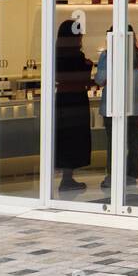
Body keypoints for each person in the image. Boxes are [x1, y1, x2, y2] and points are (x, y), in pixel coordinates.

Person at [94, 26, 138, 189]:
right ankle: (131, 173)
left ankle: (113, 175)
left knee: (114, 140)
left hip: (113, 102)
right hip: (133, 102)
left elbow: (101, 79)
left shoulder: (108, 54)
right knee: (132, 139)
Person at [54, 19, 93, 193]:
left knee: (64, 136)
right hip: (76, 98)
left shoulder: (56, 53)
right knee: (75, 136)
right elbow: (82, 79)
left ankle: (66, 176)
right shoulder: (76, 55)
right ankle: (67, 178)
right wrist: (88, 66)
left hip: (62, 98)